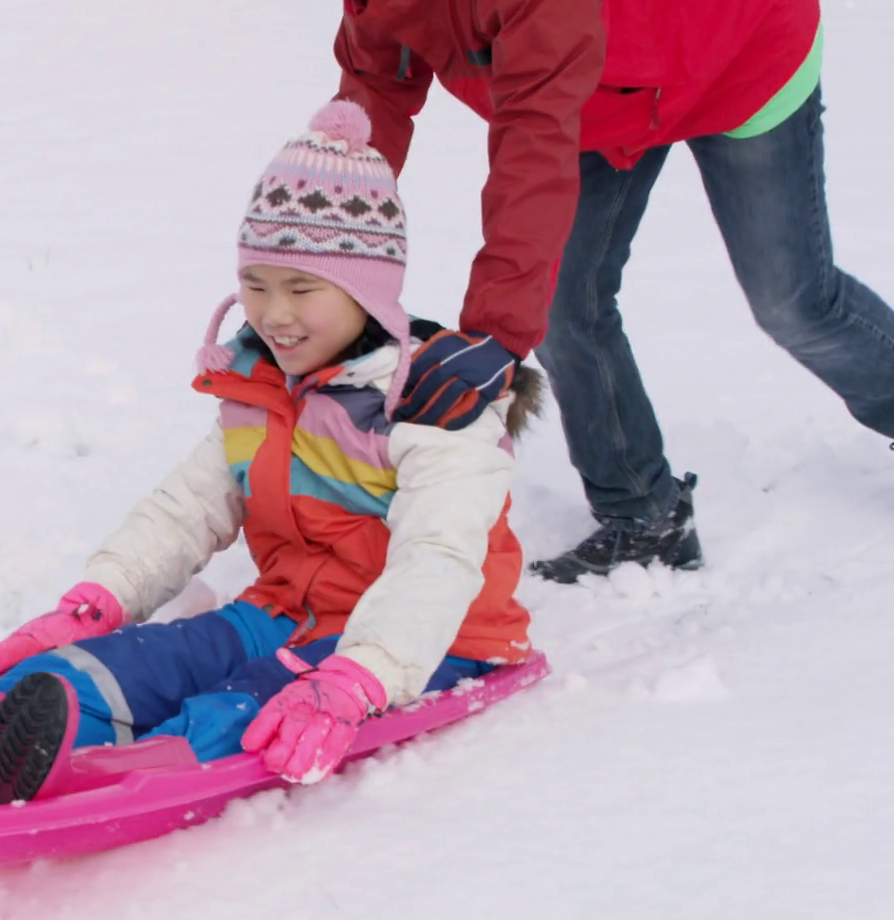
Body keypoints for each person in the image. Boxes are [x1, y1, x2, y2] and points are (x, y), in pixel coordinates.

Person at [0, 104, 540, 819]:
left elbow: (438, 558)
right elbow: (187, 509)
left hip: (424, 641)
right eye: (255, 284)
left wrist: (359, 675)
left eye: (302, 288)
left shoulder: (432, 405)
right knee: (124, 665)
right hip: (280, 611)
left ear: (369, 293)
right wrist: (94, 605)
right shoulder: (259, 390)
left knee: (246, 705)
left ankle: (106, 774)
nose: (273, 313)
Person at [331, 0, 894, 583]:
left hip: (740, 59)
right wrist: (319, 260)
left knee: (794, 302)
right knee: (562, 305)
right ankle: (644, 514)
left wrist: (493, 338)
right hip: (597, 97)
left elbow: (533, 147)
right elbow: (375, 85)